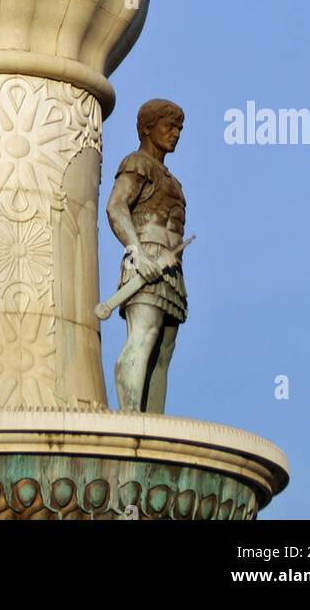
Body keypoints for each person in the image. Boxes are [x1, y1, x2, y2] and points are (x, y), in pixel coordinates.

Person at [105, 99, 188, 413]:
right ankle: (129, 415)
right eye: (169, 126)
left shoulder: (171, 180)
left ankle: (152, 421)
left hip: (172, 267)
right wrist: (136, 252)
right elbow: (116, 206)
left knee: (164, 349)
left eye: (179, 128)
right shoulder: (136, 163)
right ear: (147, 128)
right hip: (146, 259)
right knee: (143, 336)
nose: (176, 133)